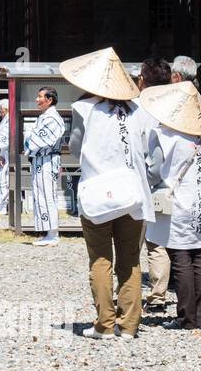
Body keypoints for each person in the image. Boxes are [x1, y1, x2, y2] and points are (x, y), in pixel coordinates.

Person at [64, 48, 154, 340]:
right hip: (131, 193)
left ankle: (104, 324)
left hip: (97, 193)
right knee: (130, 260)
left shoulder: (84, 109)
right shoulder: (137, 109)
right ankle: (128, 326)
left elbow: (76, 148)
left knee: (101, 259)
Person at [141, 82, 201, 330]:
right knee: (200, 255)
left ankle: (187, 317)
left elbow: (154, 171)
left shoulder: (165, 135)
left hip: (178, 202)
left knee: (179, 257)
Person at [136, 57, 173, 311]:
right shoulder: (174, 105)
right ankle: (159, 295)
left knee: (130, 243)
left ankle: (126, 293)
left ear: (142, 79)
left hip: (140, 179)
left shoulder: (135, 107)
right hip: (168, 182)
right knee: (158, 243)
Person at [24, 86, 65, 246]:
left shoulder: (52, 118)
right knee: (41, 195)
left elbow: (36, 140)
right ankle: (48, 231)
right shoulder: (46, 117)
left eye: (40, 96)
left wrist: (28, 138)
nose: (37, 99)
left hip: (47, 161)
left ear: (49, 100)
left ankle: (53, 234)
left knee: (47, 195)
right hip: (41, 161)